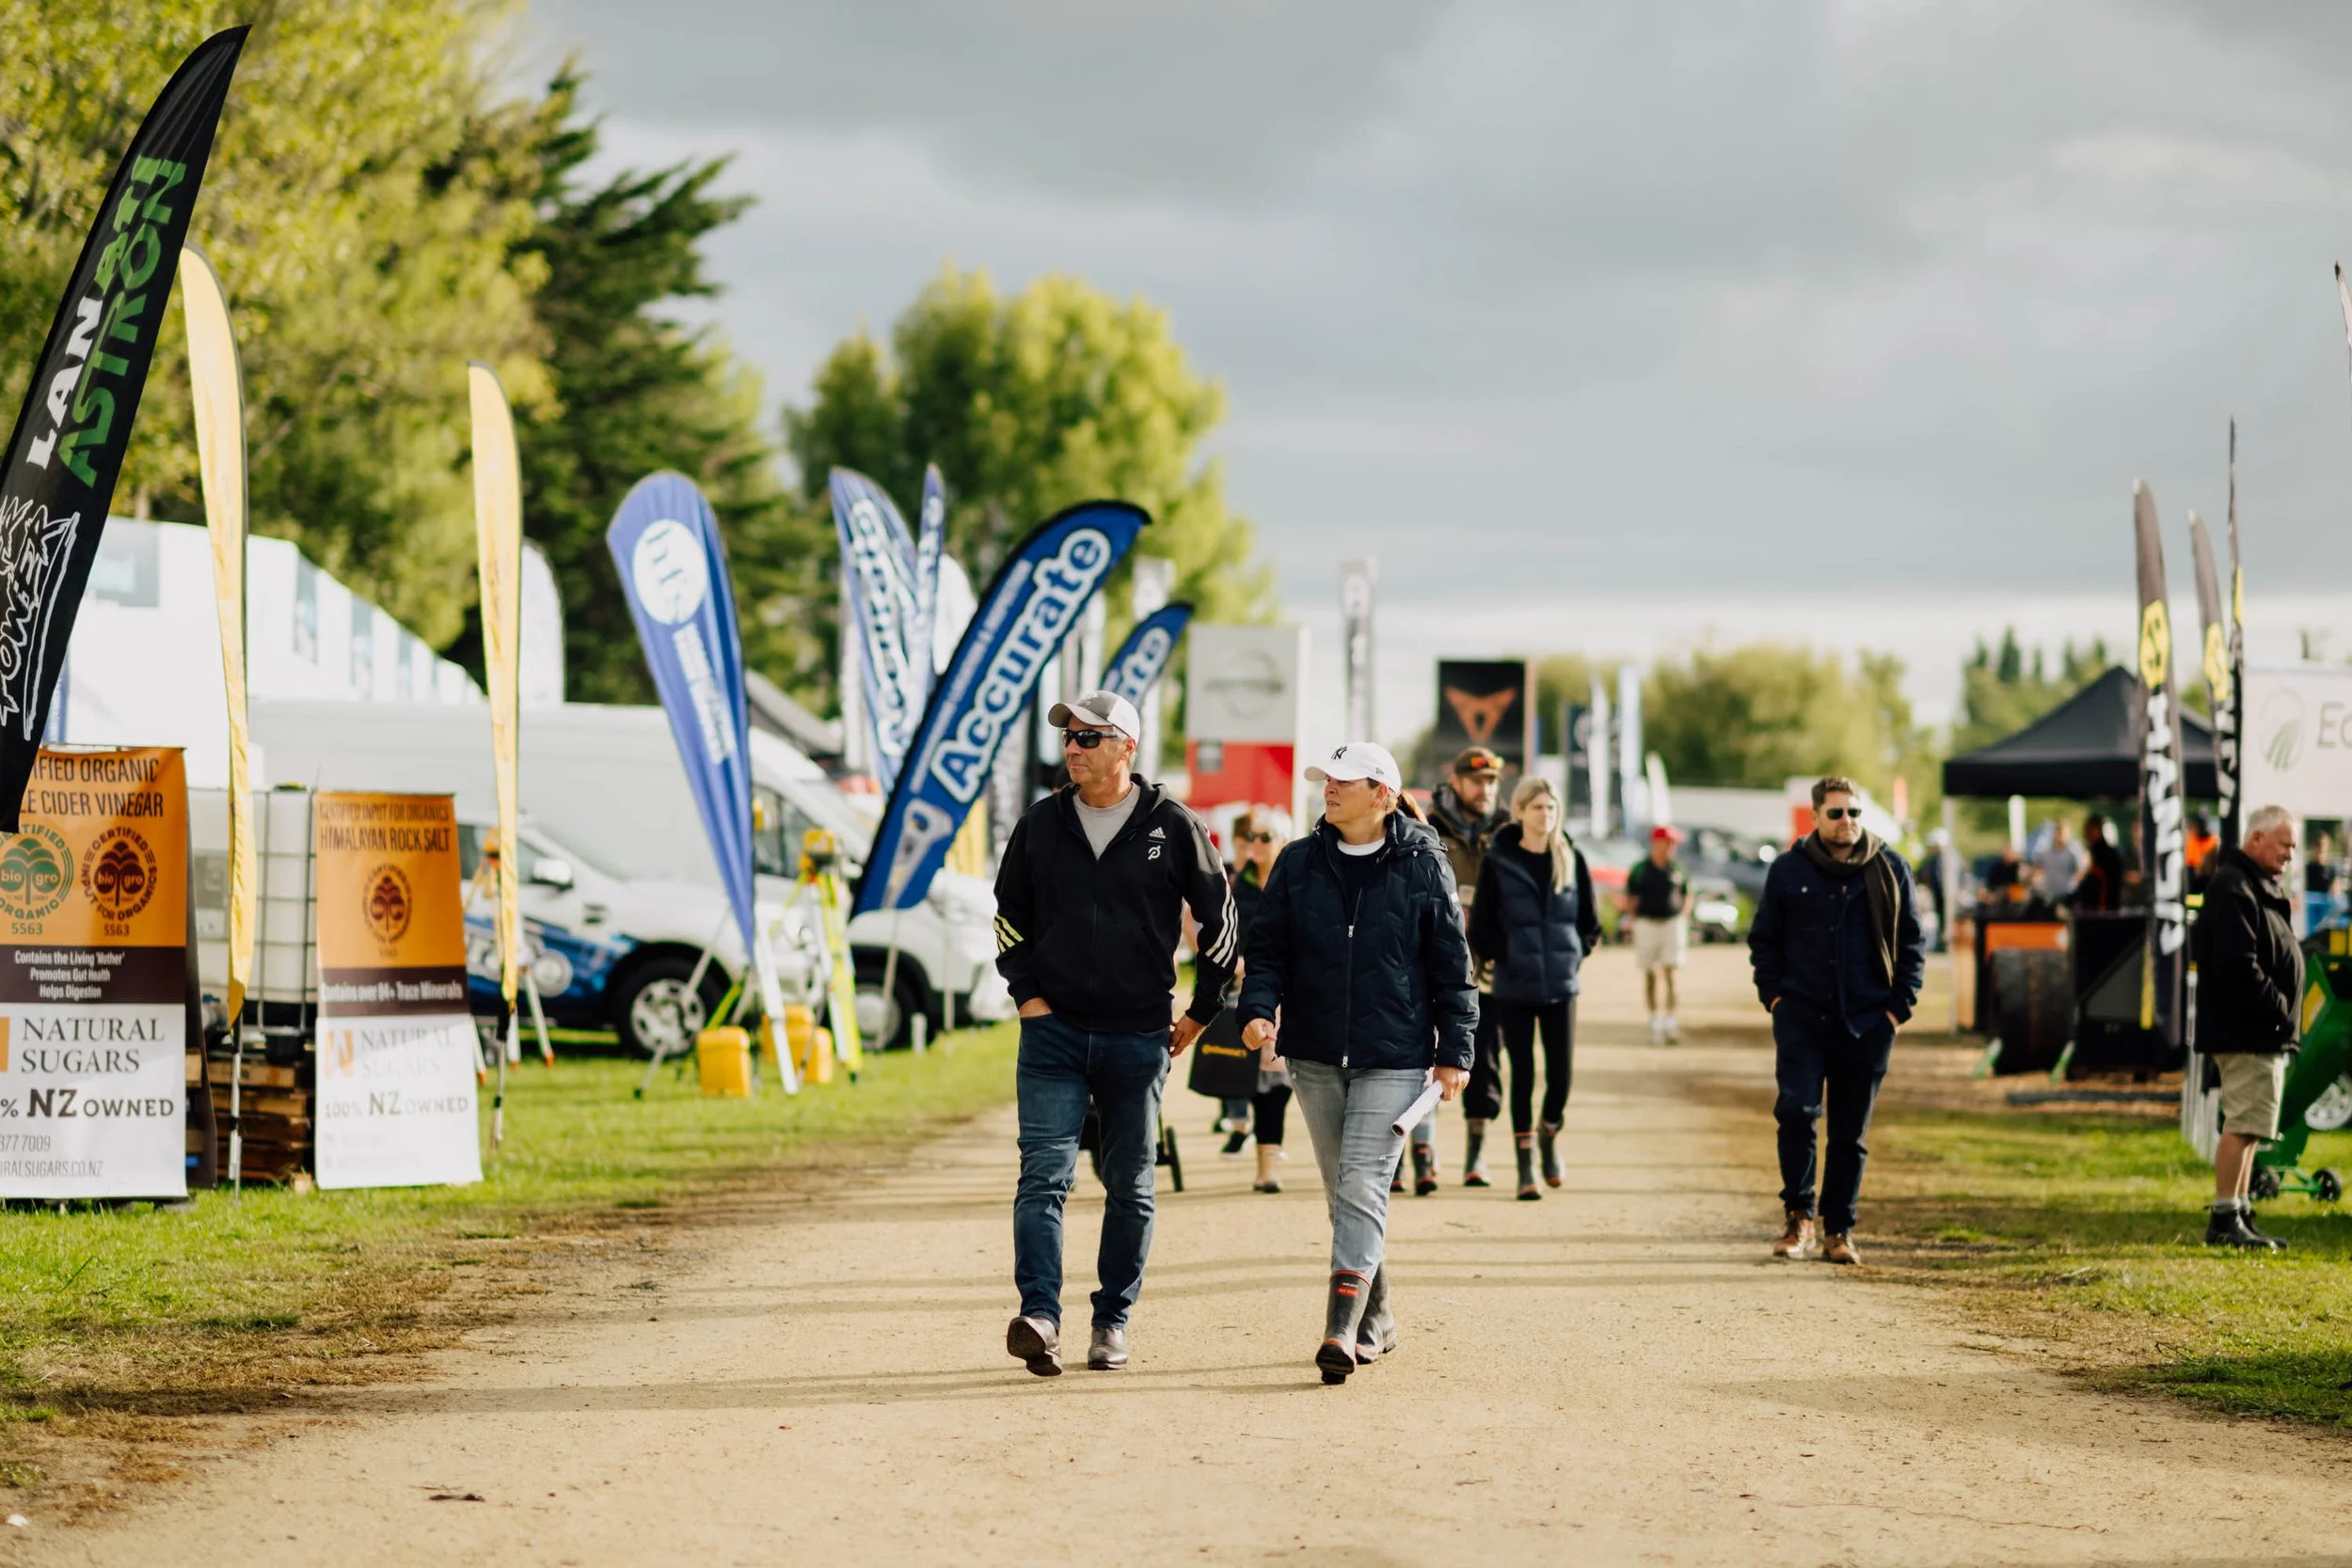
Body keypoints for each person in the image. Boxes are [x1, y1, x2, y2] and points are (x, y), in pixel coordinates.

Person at [993, 689, 1239, 1376]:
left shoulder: (1174, 824)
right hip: (1053, 1033)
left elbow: (1220, 922)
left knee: (1130, 1184)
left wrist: (1201, 1011)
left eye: (1090, 737)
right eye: (1069, 736)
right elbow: (1007, 918)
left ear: (1127, 747)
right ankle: (1040, 1315)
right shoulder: (1040, 825)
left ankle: (1112, 1321)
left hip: (1138, 1037)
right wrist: (1029, 996)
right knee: (1043, 1176)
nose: (1073, 746)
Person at [1239, 740, 1476, 1384]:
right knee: (1342, 1192)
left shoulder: (1425, 865)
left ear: (1384, 795)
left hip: (1394, 1056)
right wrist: (1257, 1008)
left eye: (1345, 779)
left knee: (1363, 1183)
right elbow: (1267, 950)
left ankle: (1340, 1329)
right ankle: (1380, 1317)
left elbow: (1453, 966)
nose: (1329, 787)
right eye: (1326, 778)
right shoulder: (1296, 862)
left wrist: (1456, 1050)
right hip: (1314, 1054)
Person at [1747, 775, 1926, 1266]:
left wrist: (1896, 1010)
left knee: (1850, 1131)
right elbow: (1764, 939)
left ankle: (1839, 1230)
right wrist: (1775, 998)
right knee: (1797, 1112)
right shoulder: (1789, 870)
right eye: (1836, 813)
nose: (1846, 822)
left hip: (1868, 1022)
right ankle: (1798, 1217)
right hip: (1801, 1015)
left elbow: (1912, 944)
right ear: (1815, 817)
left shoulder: (1889, 867)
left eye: (1854, 813)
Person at [1470, 777, 1601, 1199]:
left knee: (1561, 1076)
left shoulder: (1571, 857)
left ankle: (1549, 1132)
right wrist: (1498, 955)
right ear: (1521, 812)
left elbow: (1590, 921)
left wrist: (1574, 951)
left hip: (1562, 984)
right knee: (1522, 1074)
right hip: (1515, 985)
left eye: (1551, 808)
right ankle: (1526, 1165)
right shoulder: (1500, 860)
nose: (1546, 815)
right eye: (1538, 808)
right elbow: (1484, 921)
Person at [2195, 805, 2303, 1250]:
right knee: (2242, 1124)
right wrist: (2279, 1009)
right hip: (2247, 1032)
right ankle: (2224, 1218)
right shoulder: (2234, 887)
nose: (2290, 855)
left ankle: (2238, 1211)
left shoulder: (2250, 885)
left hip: (2260, 1032)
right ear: (2255, 839)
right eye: (2284, 844)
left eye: (2293, 847)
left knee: (2252, 1125)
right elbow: (2239, 967)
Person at [1428, 746, 1511, 1190]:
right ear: (1456, 780)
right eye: (1477, 780)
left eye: (1492, 781)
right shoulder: (1428, 825)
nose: (1485, 789)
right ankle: (1423, 1151)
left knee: (1485, 1059)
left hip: (1489, 965)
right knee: (1422, 1059)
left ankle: (1477, 1155)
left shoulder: (1507, 830)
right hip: (1434, 962)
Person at [1226, 809, 1292, 1193]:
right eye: (1252, 837)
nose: (1257, 844)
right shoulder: (1239, 885)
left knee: (1277, 1081)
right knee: (1250, 1077)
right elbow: (1220, 929)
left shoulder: (1296, 881)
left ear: (1283, 841)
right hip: (1243, 990)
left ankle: (1270, 1162)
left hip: (1287, 993)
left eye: (1265, 838)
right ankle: (1260, 1157)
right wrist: (1231, 963)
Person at [1622, 825, 1692, 1042]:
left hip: (1671, 922)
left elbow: (1688, 894)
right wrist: (1636, 919)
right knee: (1651, 973)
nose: (1672, 848)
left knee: (1672, 971)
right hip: (1648, 923)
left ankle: (1671, 1020)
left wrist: (1683, 915)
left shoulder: (1678, 868)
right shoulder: (1641, 868)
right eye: (1669, 843)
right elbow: (1630, 896)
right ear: (1658, 843)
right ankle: (1654, 1020)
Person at [2072, 815, 2124, 913]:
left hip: (2103, 910)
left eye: (2090, 830)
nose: (2086, 834)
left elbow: (2100, 883)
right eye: (2086, 830)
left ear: (2098, 830)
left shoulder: (2105, 855)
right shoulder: (2092, 852)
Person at [2033, 819, 2082, 904]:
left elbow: (2080, 872)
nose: (2059, 835)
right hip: (2050, 894)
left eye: (2061, 832)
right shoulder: (2046, 852)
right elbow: (2037, 869)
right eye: (2057, 831)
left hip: (2068, 894)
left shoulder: (2073, 852)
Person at [2184, 811, 2218, 892]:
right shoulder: (2191, 840)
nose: (2191, 829)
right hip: (2193, 878)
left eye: (2194, 826)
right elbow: (2189, 862)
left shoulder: (2213, 841)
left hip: (2208, 878)